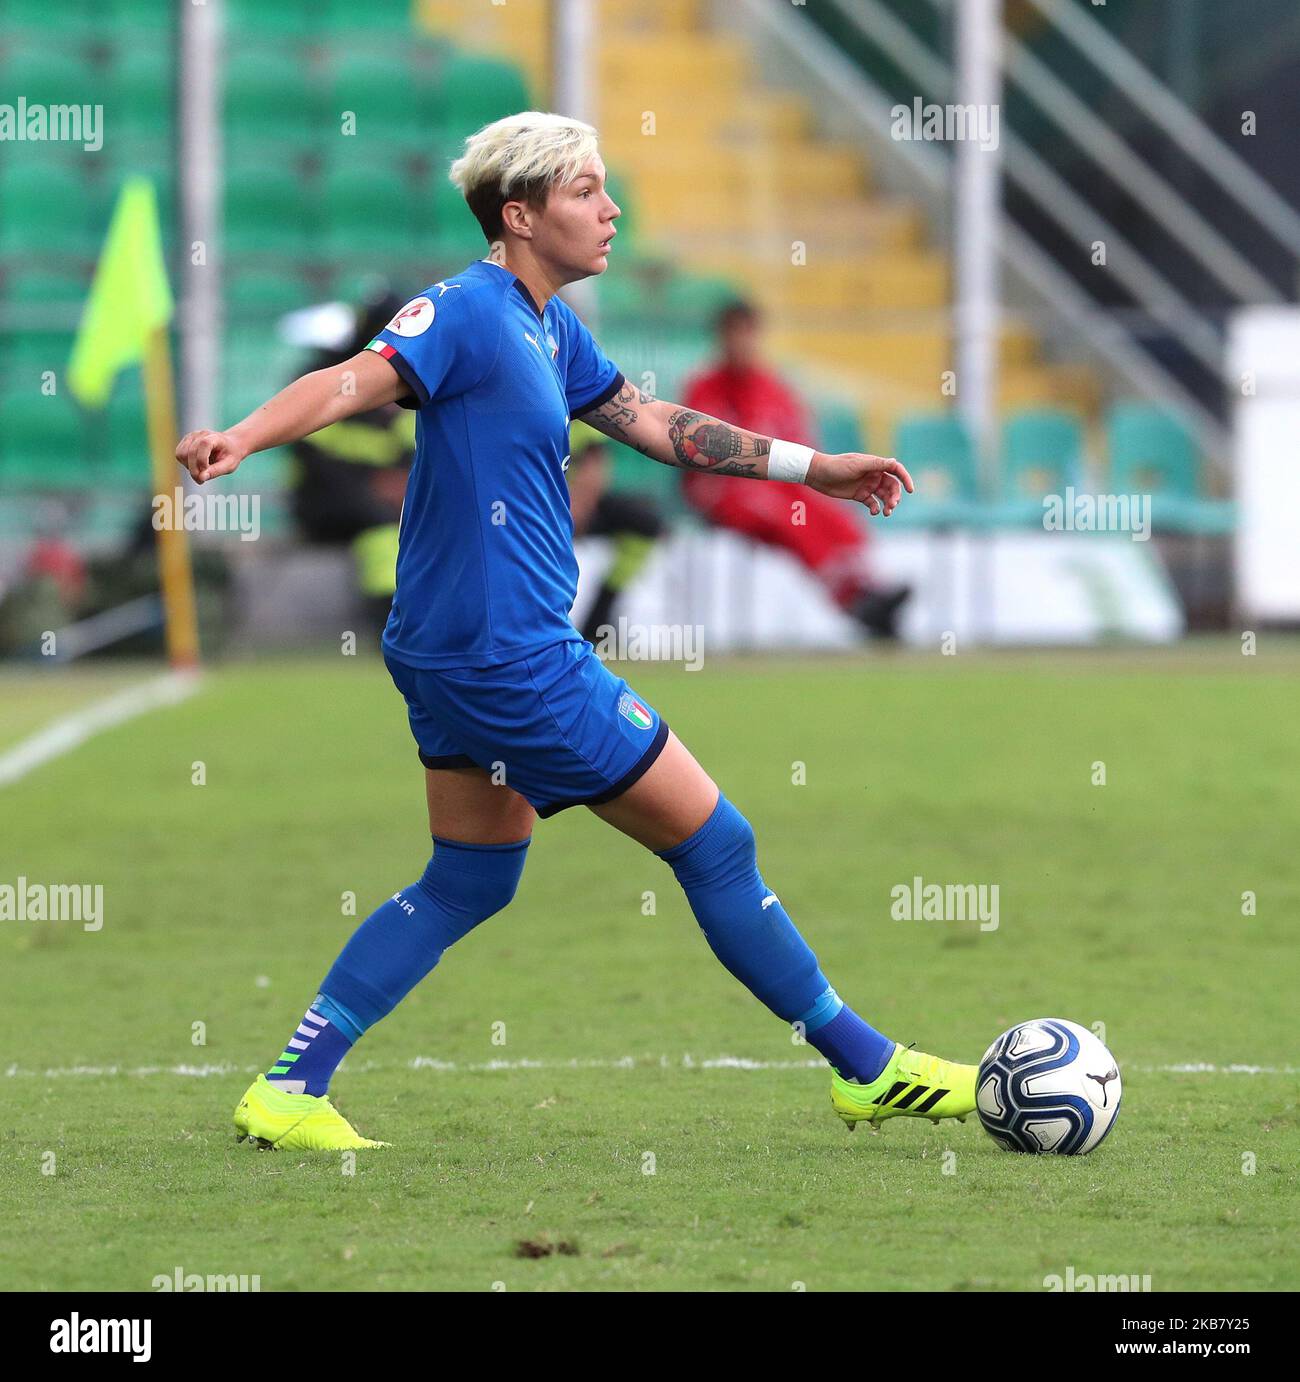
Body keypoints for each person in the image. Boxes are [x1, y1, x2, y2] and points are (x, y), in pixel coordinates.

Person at [175, 112, 976, 1152]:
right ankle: (870, 1069)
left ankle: (289, 1087)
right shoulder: (464, 310)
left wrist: (811, 468)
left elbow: (653, 424)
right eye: (586, 190)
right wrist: (239, 434)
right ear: (519, 213)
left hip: (451, 650)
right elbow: (350, 380)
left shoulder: (550, 324)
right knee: (719, 841)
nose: (611, 210)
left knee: (469, 875)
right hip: (511, 655)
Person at [683, 300, 911, 638]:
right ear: (721, 339)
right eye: (733, 334)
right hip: (724, 493)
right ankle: (852, 602)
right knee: (790, 515)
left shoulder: (773, 389)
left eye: (747, 333)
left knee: (825, 513)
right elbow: (693, 454)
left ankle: (867, 589)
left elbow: (800, 448)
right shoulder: (703, 389)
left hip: (775, 486)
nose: (741, 343)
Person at [288, 290, 415, 641]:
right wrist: (375, 485)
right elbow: (316, 456)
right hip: (323, 498)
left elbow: (409, 450)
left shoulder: (406, 382)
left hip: (383, 493)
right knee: (383, 522)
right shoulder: (327, 373)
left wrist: (401, 480)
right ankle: (388, 618)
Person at [565, 419, 665, 645]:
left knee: (644, 525)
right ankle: (591, 628)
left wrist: (579, 507)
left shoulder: (577, 417)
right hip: (548, 505)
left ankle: (596, 625)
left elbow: (594, 465)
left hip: (565, 505)